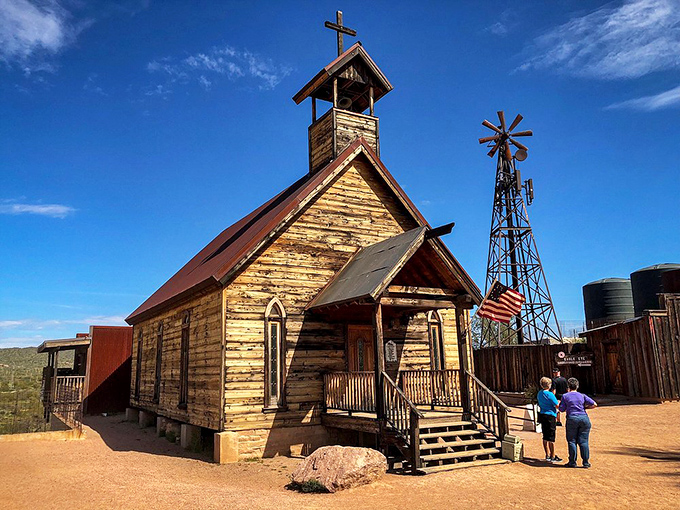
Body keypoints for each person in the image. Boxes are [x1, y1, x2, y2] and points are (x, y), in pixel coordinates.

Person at [559, 377, 597, 468]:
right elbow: (594, 404)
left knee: (572, 441)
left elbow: (561, 409)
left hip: (572, 418)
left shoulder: (565, 396)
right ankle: (586, 462)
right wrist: (585, 408)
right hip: (584, 418)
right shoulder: (582, 395)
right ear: (577, 386)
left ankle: (572, 461)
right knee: (584, 441)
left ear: (568, 387)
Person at [537, 376, 562, 463]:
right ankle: (553, 455)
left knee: (545, 435)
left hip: (543, 414)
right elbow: (557, 405)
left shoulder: (539, 393)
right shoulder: (550, 394)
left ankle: (547, 454)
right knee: (551, 436)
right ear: (549, 385)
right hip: (550, 415)